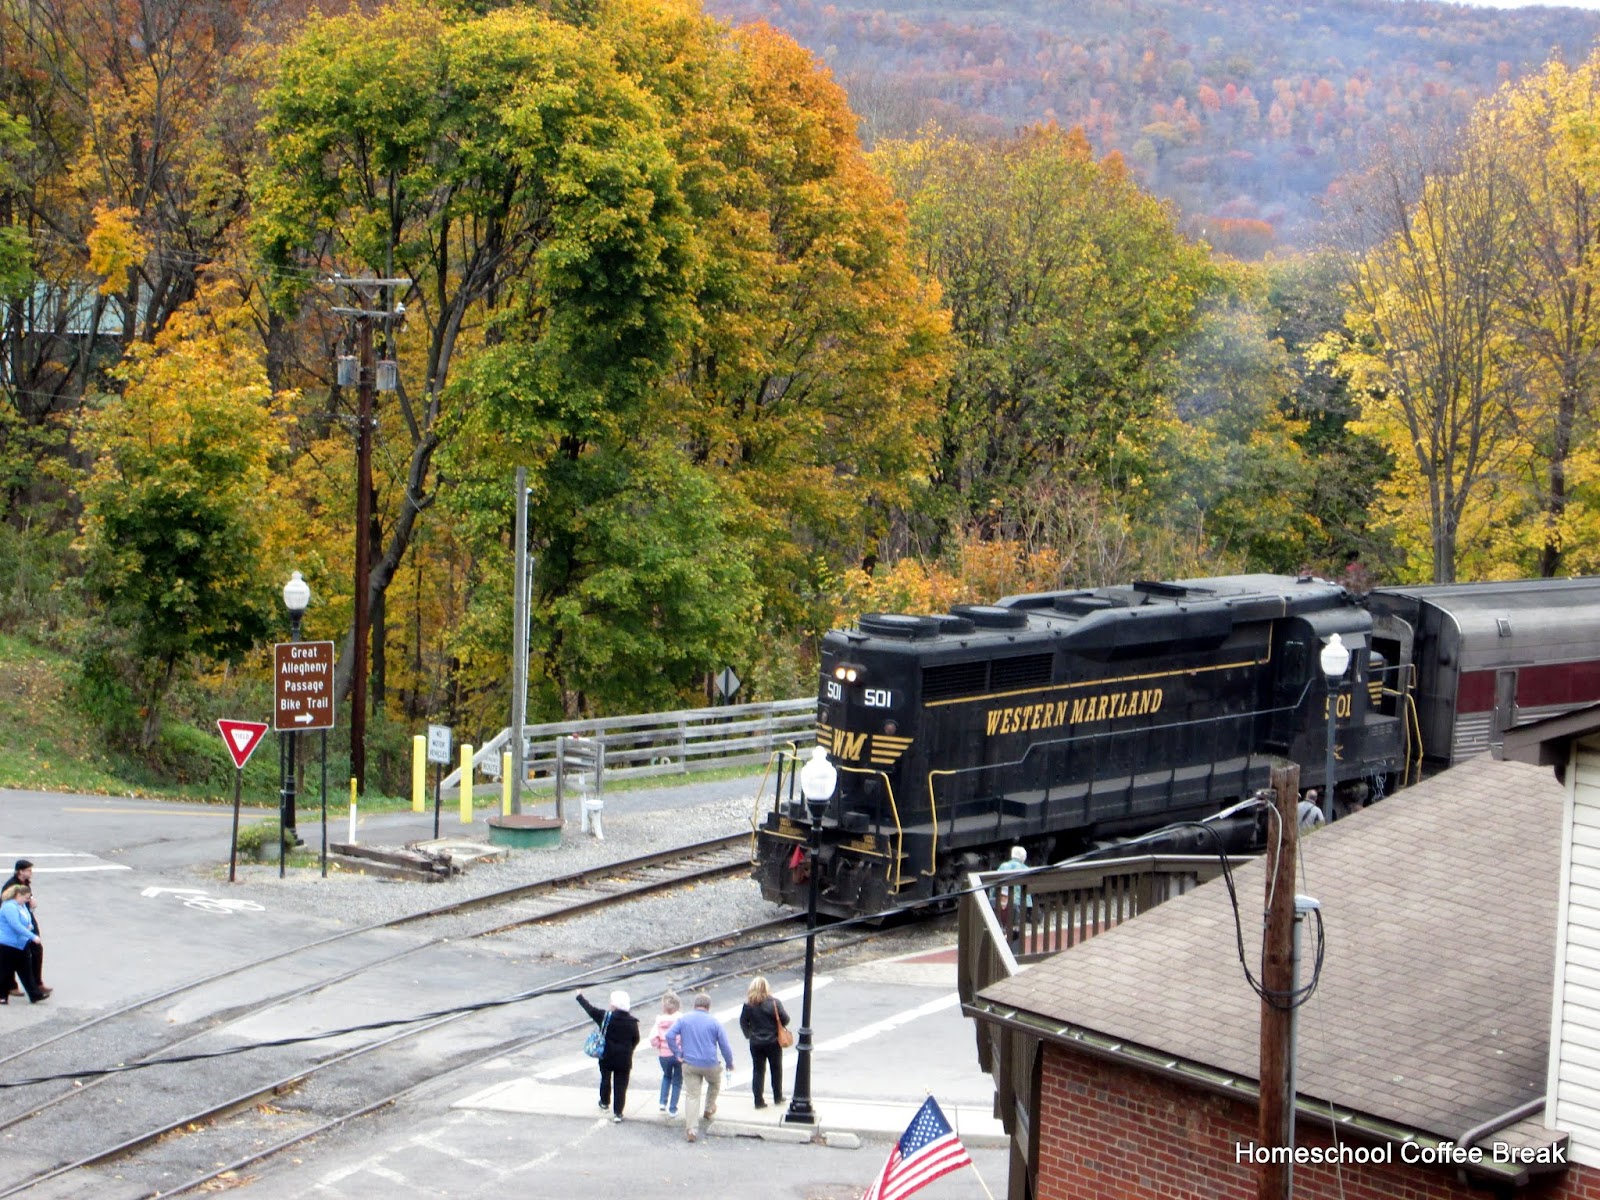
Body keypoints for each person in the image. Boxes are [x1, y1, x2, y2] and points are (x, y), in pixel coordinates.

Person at [667, 991, 735, 1143]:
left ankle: (691, 1129)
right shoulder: (714, 1022)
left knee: (692, 1095)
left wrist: (678, 1053)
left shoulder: (684, 1019)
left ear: (694, 1005)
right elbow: (725, 1046)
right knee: (715, 1083)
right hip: (710, 1064)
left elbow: (669, 1035)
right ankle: (709, 1108)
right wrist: (729, 1063)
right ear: (708, 1007)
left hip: (689, 1063)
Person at [576, 990, 640, 1122]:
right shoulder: (632, 1022)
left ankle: (604, 1102)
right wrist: (629, 1050)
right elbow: (636, 1039)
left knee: (605, 1078)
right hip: (624, 1059)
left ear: (615, 1005)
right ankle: (618, 1112)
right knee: (621, 1084)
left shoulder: (605, 1017)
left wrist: (580, 997)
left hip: (607, 1055)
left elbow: (590, 1010)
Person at [737, 976, 790, 1109]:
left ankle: (758, 1100)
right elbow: (786, 1019)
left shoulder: (748, 1005)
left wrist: (749, 1034)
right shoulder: (774, 1003)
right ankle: (778, 1096)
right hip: (773, 1041)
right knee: (776, 1069)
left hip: (755, 1043)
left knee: (758, 1070)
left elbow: (743, 1021)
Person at [0, 885, 47, 1003]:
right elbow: (15, 925)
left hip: (21, 944)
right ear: (18, 895)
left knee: (26, 971)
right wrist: (32, 936)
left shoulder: (21, 906)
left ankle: (35, 994)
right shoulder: (9, 907)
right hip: (8, 944)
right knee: (5, 971)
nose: (27, 900)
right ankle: (2, 996)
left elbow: (27, 920)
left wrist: (30, 925)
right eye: (26, 898)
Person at [2, 860, 42, 996]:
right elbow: (13, 920)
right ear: (20, 871)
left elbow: (28, 899)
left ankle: (35, 987)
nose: (31, 873)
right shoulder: (11, 889)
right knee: (13, 959)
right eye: (29, 870)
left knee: (30, 955)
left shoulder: (25, 884)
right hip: (15, 932)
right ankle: (11, 987)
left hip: (25, 923)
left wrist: (31, 903)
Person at [648, 991, 684, 1116]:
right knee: (677, 1080)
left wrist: (659, 1045)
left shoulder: (659, 1021)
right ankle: (673, 1109)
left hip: (663, 1055)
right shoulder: (681, 1019)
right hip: (678, 1054)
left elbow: (652, 1038)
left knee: (667, 1076)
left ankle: (662, 1102)